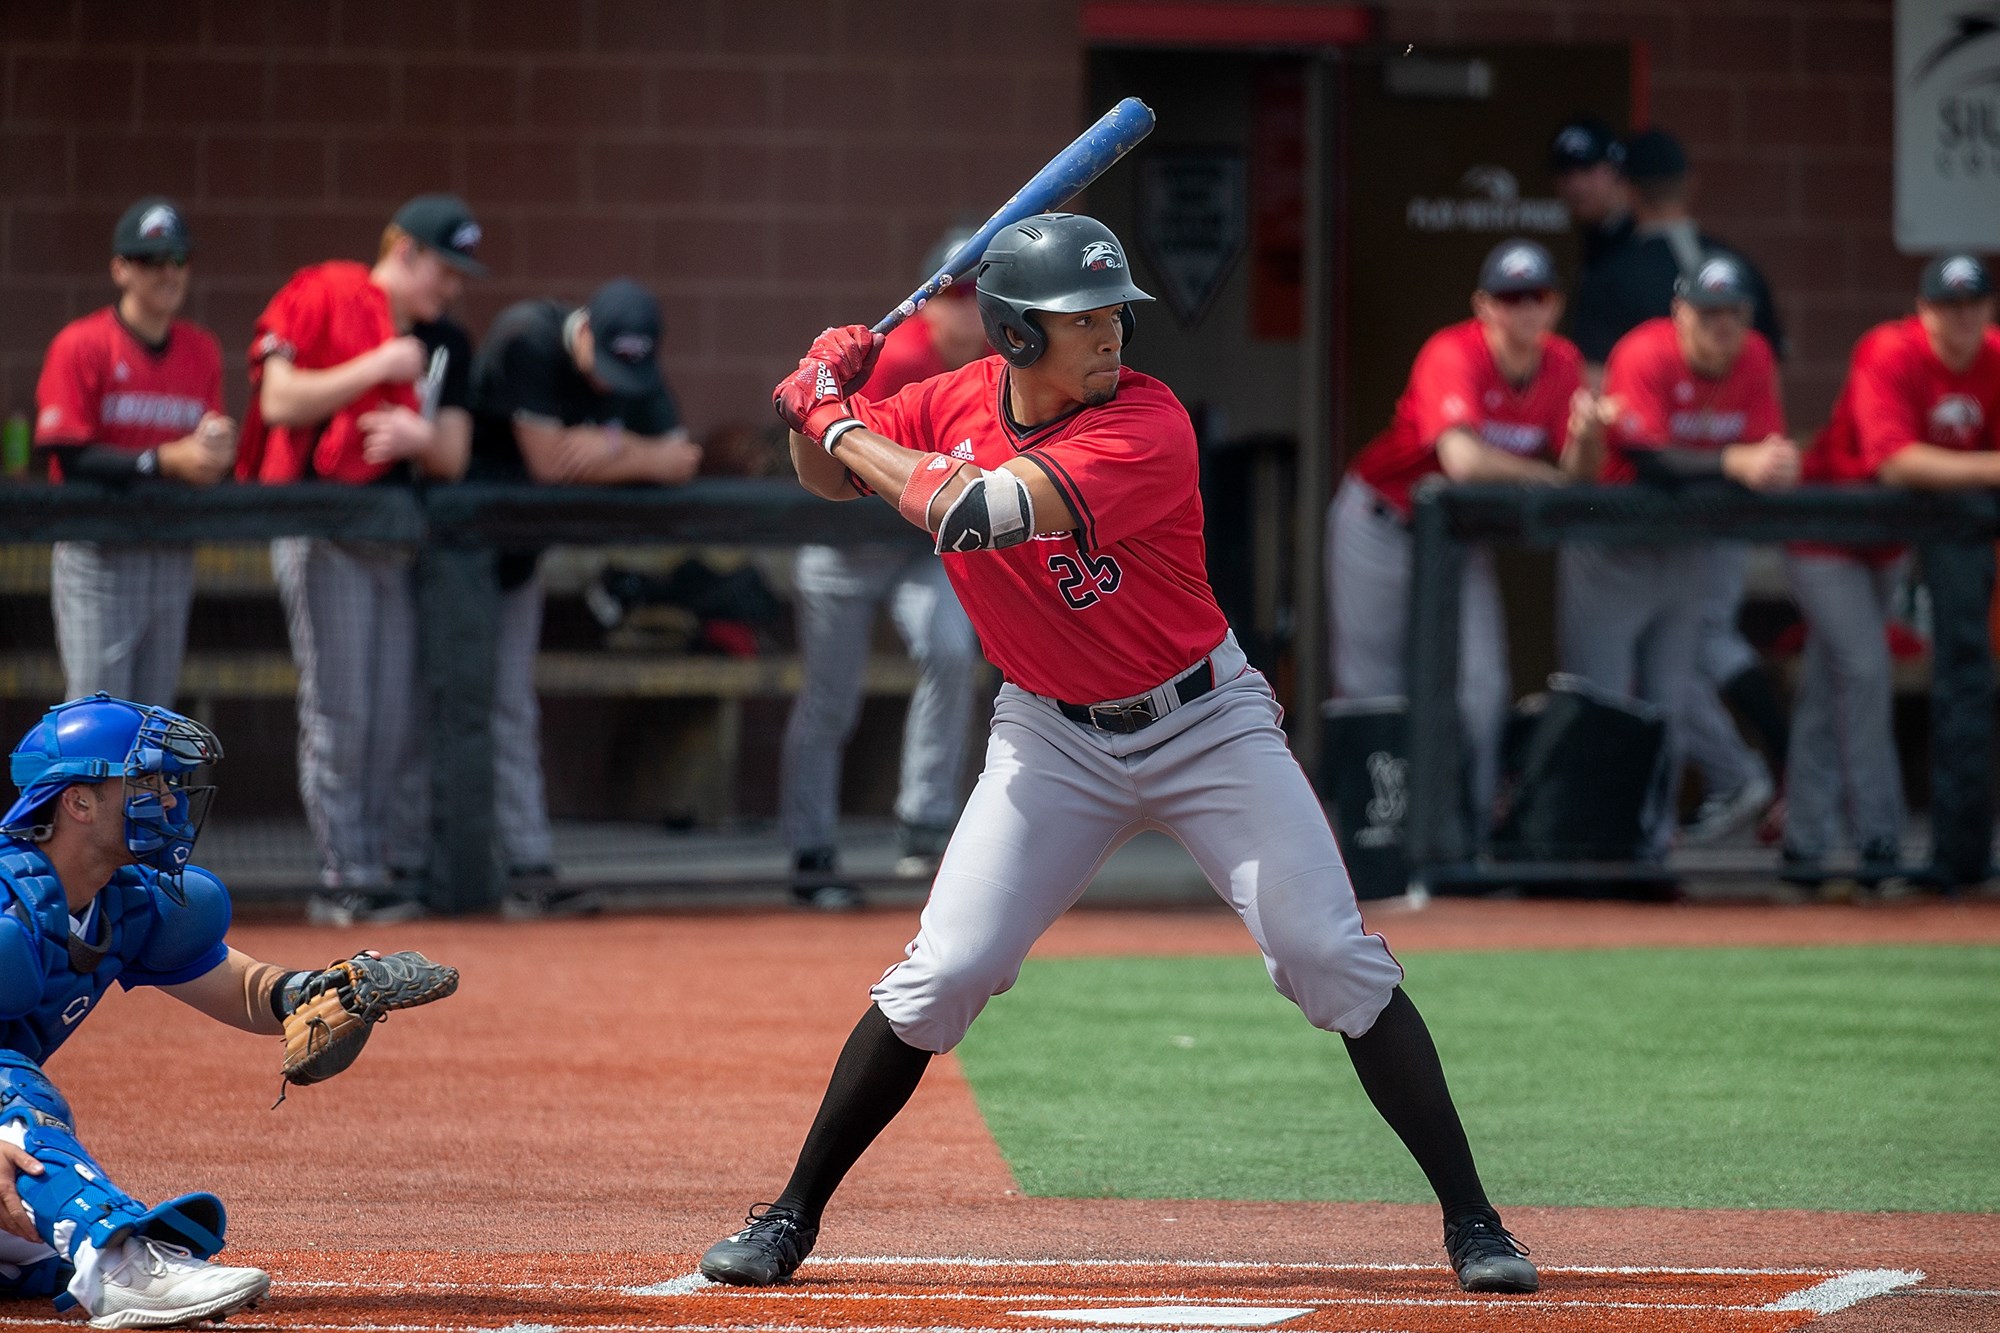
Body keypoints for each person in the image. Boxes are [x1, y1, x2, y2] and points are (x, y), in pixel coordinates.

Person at [697, 213, 1539, 1296]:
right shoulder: (949, 400)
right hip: (1049, 735)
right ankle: (786, 1218)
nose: (1110, 335)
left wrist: (828, 414)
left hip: (1204, 722)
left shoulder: (1148, 424)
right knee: (942, 971)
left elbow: (971, 514)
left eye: (1113, 314)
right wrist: (821, 413)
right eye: (1080, 319)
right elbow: (828, 482)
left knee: (1329, 958)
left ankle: (1474, 1222)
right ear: (1010, 334)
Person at [0, 695, 444, 1326]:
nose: (171, 800)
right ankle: (119, 1261)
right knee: (11, 1087)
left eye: (169, 783)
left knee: (38, 1253)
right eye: (147, 782)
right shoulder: (8, 900)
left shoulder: (123, 903)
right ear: (78, 801)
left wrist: (323, 990)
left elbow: (242, 989)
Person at [237, 194, 480, 926]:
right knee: (341, 712)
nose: (453, 286)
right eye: (445, 267)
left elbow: (456, 454)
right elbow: (278, 400)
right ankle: (343, 876)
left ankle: (376, 869)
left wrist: (416, 436)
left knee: (392, 718)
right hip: (322, 529)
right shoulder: (328, 292)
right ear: (404, 249)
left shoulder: (447, 340)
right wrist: (376, 363)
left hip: (393, 539)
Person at [1330, 238, 1608, 834]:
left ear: (1554, 304)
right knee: (1368, 684)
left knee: (1483, 686)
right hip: (1379, 522)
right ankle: (1373, 838)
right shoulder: (1451, 351)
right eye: (1510, 298)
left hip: (1456, 539)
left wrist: (1585, 441)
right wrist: (1549, 476)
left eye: (1536, 296)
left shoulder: (1561, 363)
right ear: (1484, 305)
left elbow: (1581, 476)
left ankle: (1472, 834)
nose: (1524, 311)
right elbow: (1463, 462)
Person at [466, 278, 702, 917]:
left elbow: (681, 457)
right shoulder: (529, 338)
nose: (608, 387)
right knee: (418, 711)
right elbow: (546, 461)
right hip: (450, 557)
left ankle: (525, 868)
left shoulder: (631, 365)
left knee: (510, 706)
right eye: (602, 367)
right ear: (584, 331)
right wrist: (638, 455)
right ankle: (399, 873)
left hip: (517, 560)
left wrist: (610, 446)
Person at [1559, 252, 1798, 859]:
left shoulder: (1756, 358)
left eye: (1733, 315)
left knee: (1667, 701)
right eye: (1708, 313)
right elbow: (1649, 456)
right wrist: (1734, 462)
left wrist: (1772, 463)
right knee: (1606, 700)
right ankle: (1597, 847)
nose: (1722, 328)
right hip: (1614, 543)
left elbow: (1763, 449)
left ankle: (1651, 848)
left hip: (1686, 546)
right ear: (1680, 313)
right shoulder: (1646, 351)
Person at [781, 230, 986, 908]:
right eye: (954, 295)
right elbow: (828, 462)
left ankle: (925, 823)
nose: (969, 309)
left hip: (914, 545)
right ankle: (811, 851)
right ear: (926, 304)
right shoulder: (897, 357)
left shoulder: (993, 364)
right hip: (842, 545)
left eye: (979, 294)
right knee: (830, 697)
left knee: (951, 649)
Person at [1782, 254, 2000, 884]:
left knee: (1828, 690)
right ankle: (1879, 840)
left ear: (1988, 310)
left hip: (1886, 546)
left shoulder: (1993, 357)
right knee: (1866, 668)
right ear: (1923, 310)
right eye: (1948, 305)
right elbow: (1896, 464)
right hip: (1825, 532)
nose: (1962, 317)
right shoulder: (1888, 350)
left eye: (1974, 304)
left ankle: (1804, 845)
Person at [33, 197, 237, 706]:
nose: (168, 274)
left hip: (170, 547)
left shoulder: (202, 349)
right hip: (99, 549)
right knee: (98, 717)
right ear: (120, 269)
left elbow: (205, 450)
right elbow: (66, 454)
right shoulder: (82, 344)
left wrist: (217, 450)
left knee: (153, 724)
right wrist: (164, 460)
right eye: (152, 262)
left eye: (178, 261)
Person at [1569, 129, 1785, 375]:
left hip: (1644, 409)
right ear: (1691, 183)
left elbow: (1596, 381)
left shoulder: (1606, 276)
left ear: (1629, 190)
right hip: (1727, 411)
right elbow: (1769, 376)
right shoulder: (1741, 269)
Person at [1547, 117, 1631, 277]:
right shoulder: (1594, 238)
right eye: (1566, 174)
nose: (1576, 185)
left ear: (1616, 171)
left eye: (1587, 170)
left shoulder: (1643, 236)